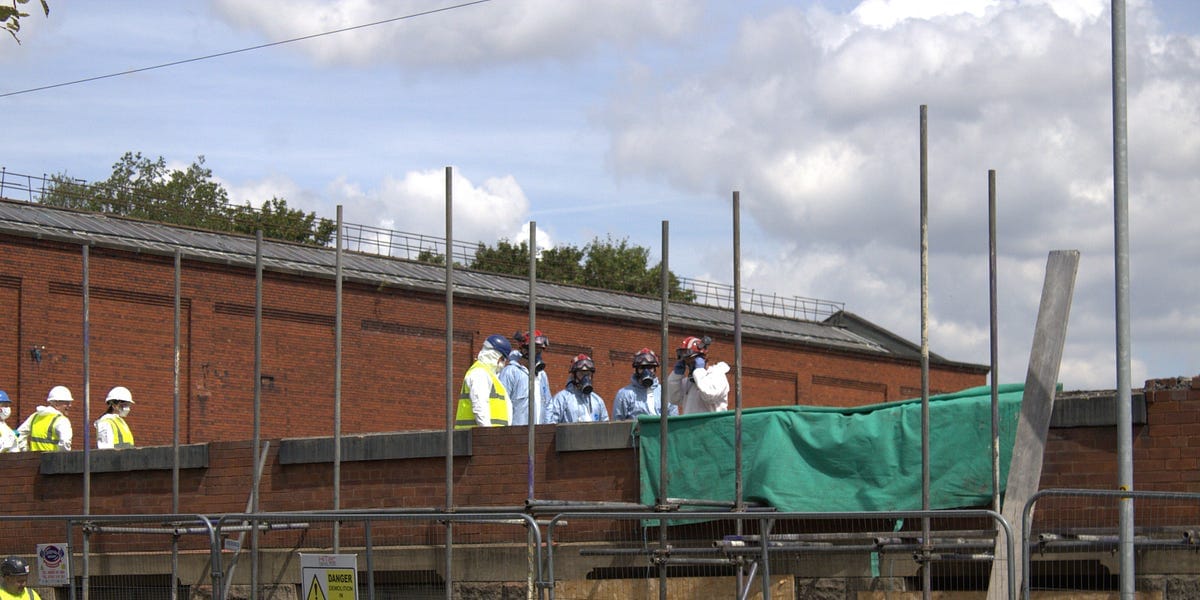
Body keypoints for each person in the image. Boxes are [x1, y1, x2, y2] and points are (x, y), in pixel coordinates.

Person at [455, 334, 513, 428]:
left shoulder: (491, 377)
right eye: (502, 359)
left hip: (491, 438)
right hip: (474, 439)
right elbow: (479, 407)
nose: (503, 364)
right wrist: (487, 435)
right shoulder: (479, 373)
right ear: (495, 356)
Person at [498, 330, 553, 426]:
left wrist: (546, 431)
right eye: (536, 350)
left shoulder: (542, 375)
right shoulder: (511, 372)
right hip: (516, 436)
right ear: (524, 350)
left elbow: (548, 405)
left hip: (539, 435)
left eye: (540, 350)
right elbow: (501, 406)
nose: (539, 355)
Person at [667, 336, 730, 415]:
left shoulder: (717, 375)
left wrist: (699, 371)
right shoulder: (688, 382)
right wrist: (675, 376)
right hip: (691, 426)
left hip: (712, 425)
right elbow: (674, 399)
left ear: (703, 358)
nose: (688, 364)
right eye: (686, 361)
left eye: (692, 360)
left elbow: (709, 395)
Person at [613, 348, 678, 420]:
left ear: (655, 369)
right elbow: (617, 424)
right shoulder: (624, 394)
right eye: (642, 368)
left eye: (649, 367)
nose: (646, 371)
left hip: (659, 431)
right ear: (636, 370)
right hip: (637, 431)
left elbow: (674, 420)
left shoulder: (665, 393)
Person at [546, 354, 609, 423]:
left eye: (588, 374)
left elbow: (605, 428)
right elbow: (550, 426)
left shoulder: (597, 401)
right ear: (573, 375)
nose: (586, 378)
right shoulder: (561, 399)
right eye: (581, 374)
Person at [17, 386, 73, 452]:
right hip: (53, 461)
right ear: (56, 404)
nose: (70, 405)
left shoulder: (34, 416)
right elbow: (65, 443)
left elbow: (19, 435)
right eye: (66, 403)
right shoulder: (61, 420)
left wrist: (25, 452)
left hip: (34, 460)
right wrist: (61, 459)